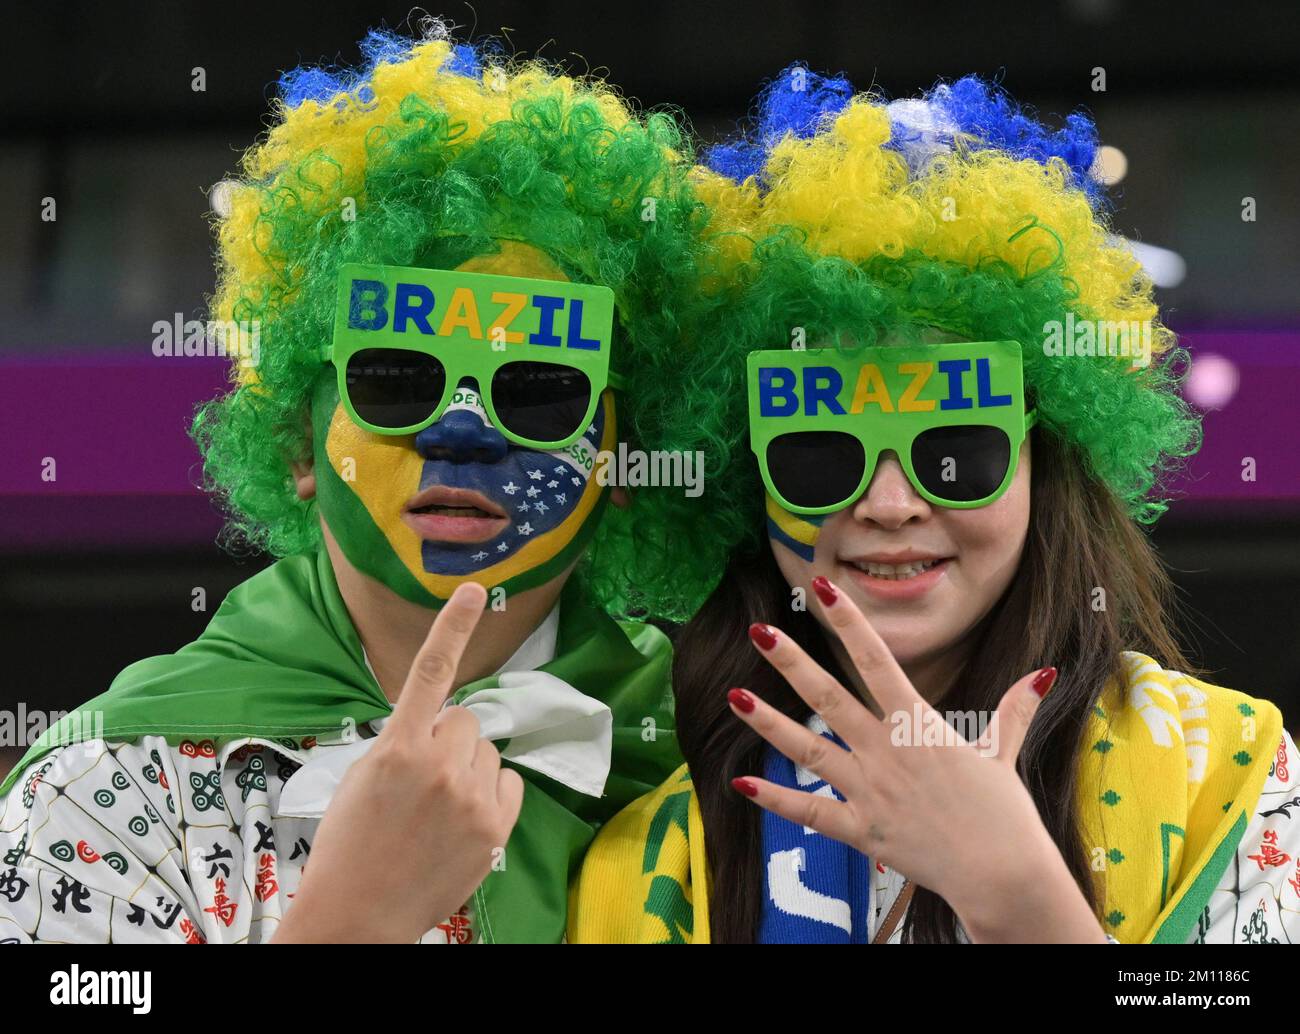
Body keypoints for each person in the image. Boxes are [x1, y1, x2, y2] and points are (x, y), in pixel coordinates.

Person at [0, 24, 722, 944]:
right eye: (397, 381)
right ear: (301, 443)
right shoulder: (111, 785)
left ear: (625, 456)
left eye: (540, 391)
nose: (460, 432)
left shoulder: (729, 769)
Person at [569, 67, 1300, 944]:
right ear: (744, 479)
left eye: (955, 451)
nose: (888, 504)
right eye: (818, 453)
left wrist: (1024, 901)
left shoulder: (1227, 772)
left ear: (1048, 460)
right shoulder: (649, 861)